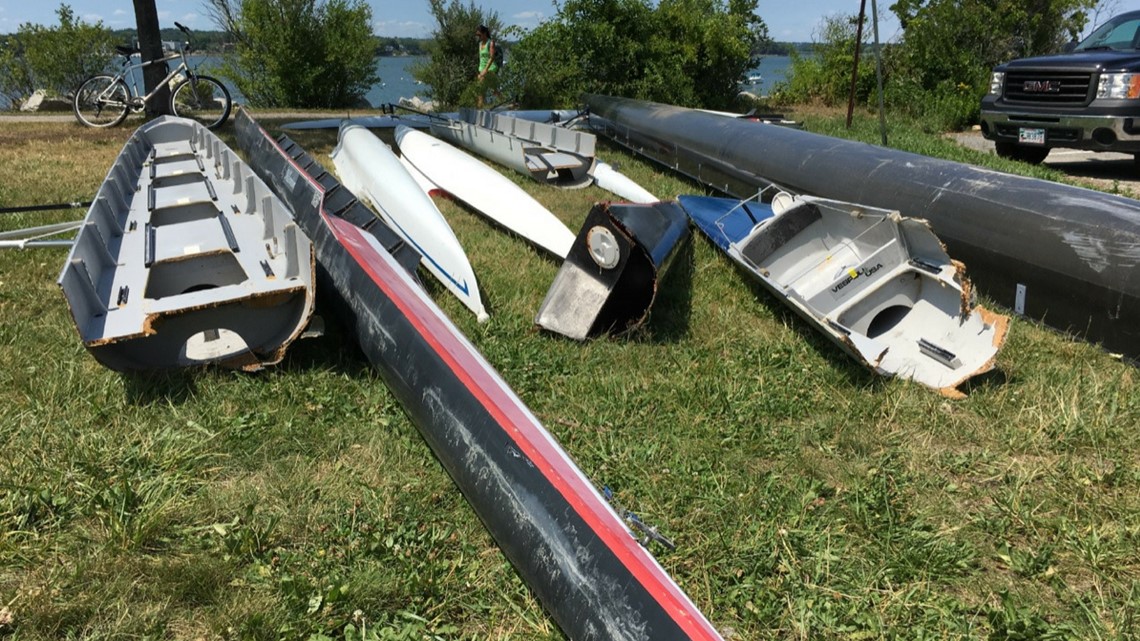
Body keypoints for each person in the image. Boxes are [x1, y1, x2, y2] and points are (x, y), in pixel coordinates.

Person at [475, 24, 500, 108]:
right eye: (477, 35)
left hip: (490, 68)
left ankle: (480, 108)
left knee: (481, 89)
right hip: (482, 70)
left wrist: (485, 70)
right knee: (491, 91)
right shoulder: (480, 44)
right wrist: (480, 71)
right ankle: (482, 108)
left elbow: (492, 57)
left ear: (484, 33)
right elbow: (481, 59)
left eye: (479, 35)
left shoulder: (490, 42)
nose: (478, 37)